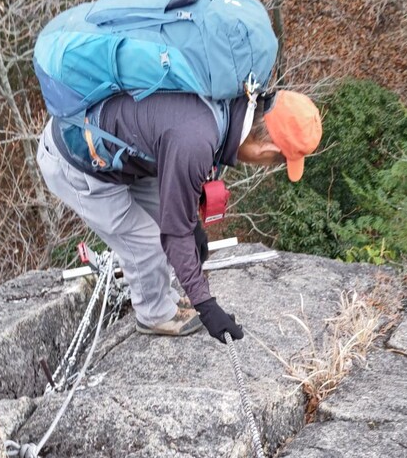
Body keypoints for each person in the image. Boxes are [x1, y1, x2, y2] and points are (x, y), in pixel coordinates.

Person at [36, 87, 322, 341]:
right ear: (268, 148)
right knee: (147, 242)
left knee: (165, 222)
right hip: (76, 159)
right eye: (277, 161)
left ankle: (164, 298)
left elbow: (171, 152)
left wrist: (191, 224)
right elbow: (174, 233)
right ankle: (154, 314)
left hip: (117, 146)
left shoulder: (230, 99)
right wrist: (205, 304)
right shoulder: (197, 138)